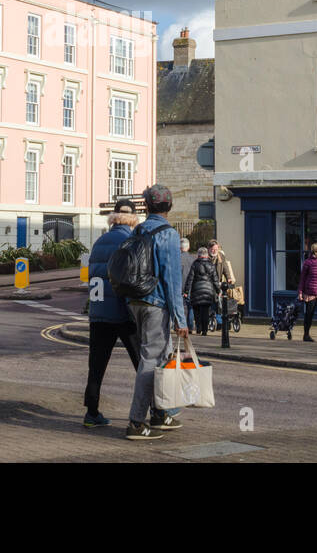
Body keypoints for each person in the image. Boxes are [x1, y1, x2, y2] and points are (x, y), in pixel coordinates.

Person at [125, 184, 189, 441]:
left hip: (135, 301)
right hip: (156, 304)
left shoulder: (139, 230)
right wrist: (181, 320)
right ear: (169, 206)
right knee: (151, 361)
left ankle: (160, 414)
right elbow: (172, 280)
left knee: (159, 357)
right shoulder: (169, 234)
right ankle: (136, 422)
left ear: (148, 206)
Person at [82, 198, 141, 428]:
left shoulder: (99, 242)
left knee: (96, 366)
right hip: (123, 312)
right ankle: (154, 409)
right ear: (133, 219)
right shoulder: (130, 241)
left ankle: (91, 412)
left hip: (99, 312)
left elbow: (92, 276)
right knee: (141, 364)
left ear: (114, 218)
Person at [184, 246, 220, 336]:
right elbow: (215, 279)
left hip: (196, 291)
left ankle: (199, 328)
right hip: (208, 291)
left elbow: (190, 278)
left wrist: (186, 291)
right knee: (205, 311)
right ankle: (204, 330)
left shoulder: (195, 264)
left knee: (196, 311)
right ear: (207, 255)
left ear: (198, 255)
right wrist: (218, 290)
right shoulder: (211, 264)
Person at [179, 236, 196, 332]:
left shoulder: (176, 258)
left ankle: (181, 326)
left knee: (181, 307)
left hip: (180, 286)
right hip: (190, 286)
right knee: (190, 307)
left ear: (179, 247)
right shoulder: (193, 259)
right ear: (188, 247)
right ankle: (190, 327)